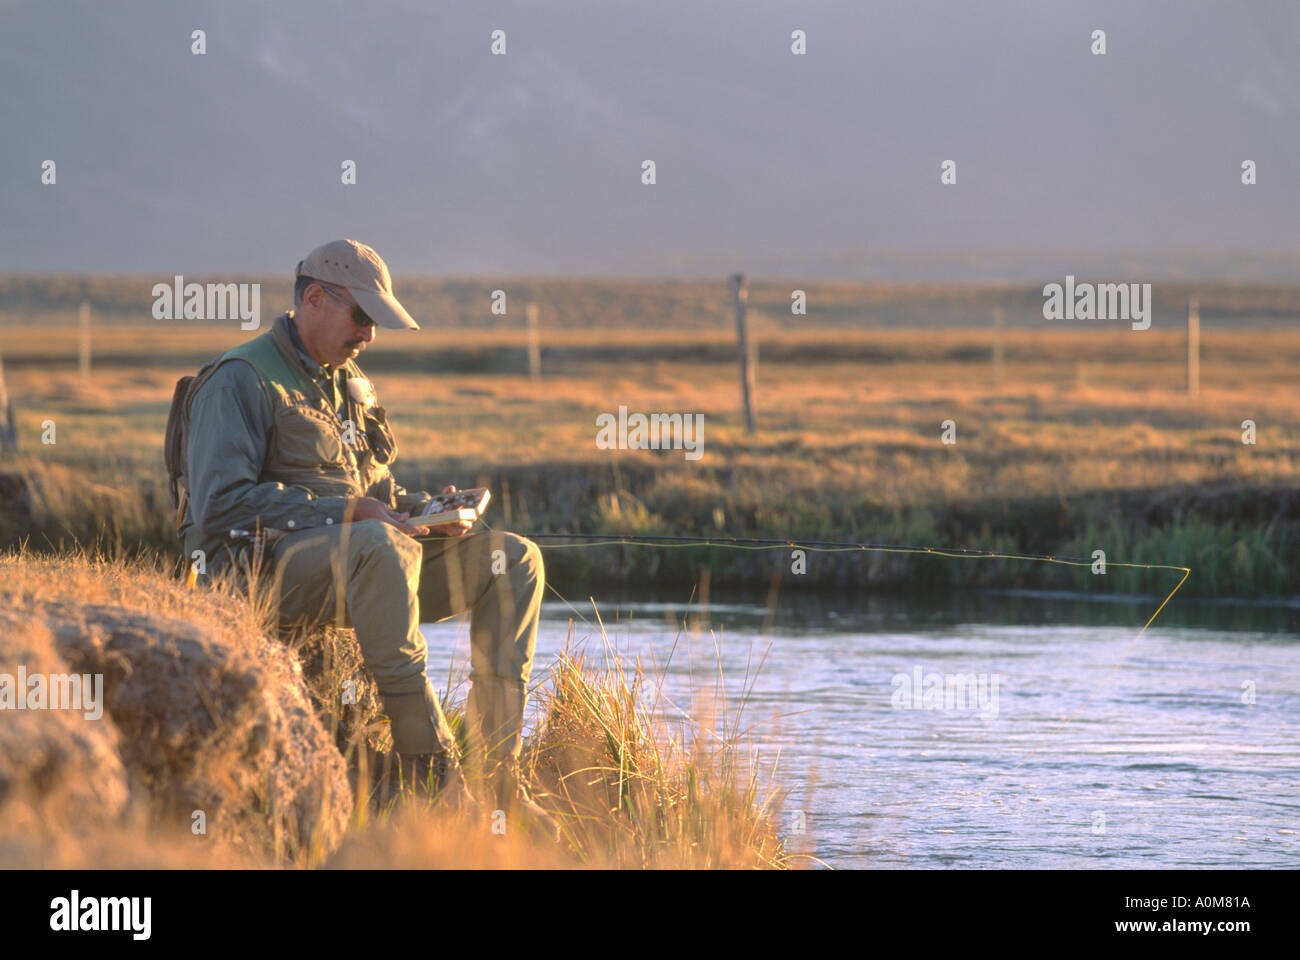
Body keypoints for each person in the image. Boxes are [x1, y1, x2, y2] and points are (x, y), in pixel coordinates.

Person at [179, 238, 551, 829]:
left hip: (367, 562)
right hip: (255, 574)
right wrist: (348, 514)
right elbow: (219, 508)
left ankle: (500, 783)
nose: (370, 335)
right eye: (362, 316)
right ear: (315, 299)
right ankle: (434, 773)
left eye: (376, 321)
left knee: (516, 558)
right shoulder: (239, 380)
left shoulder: (351, 385)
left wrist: (429, 510)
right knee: (377, 547)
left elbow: (374, 493)